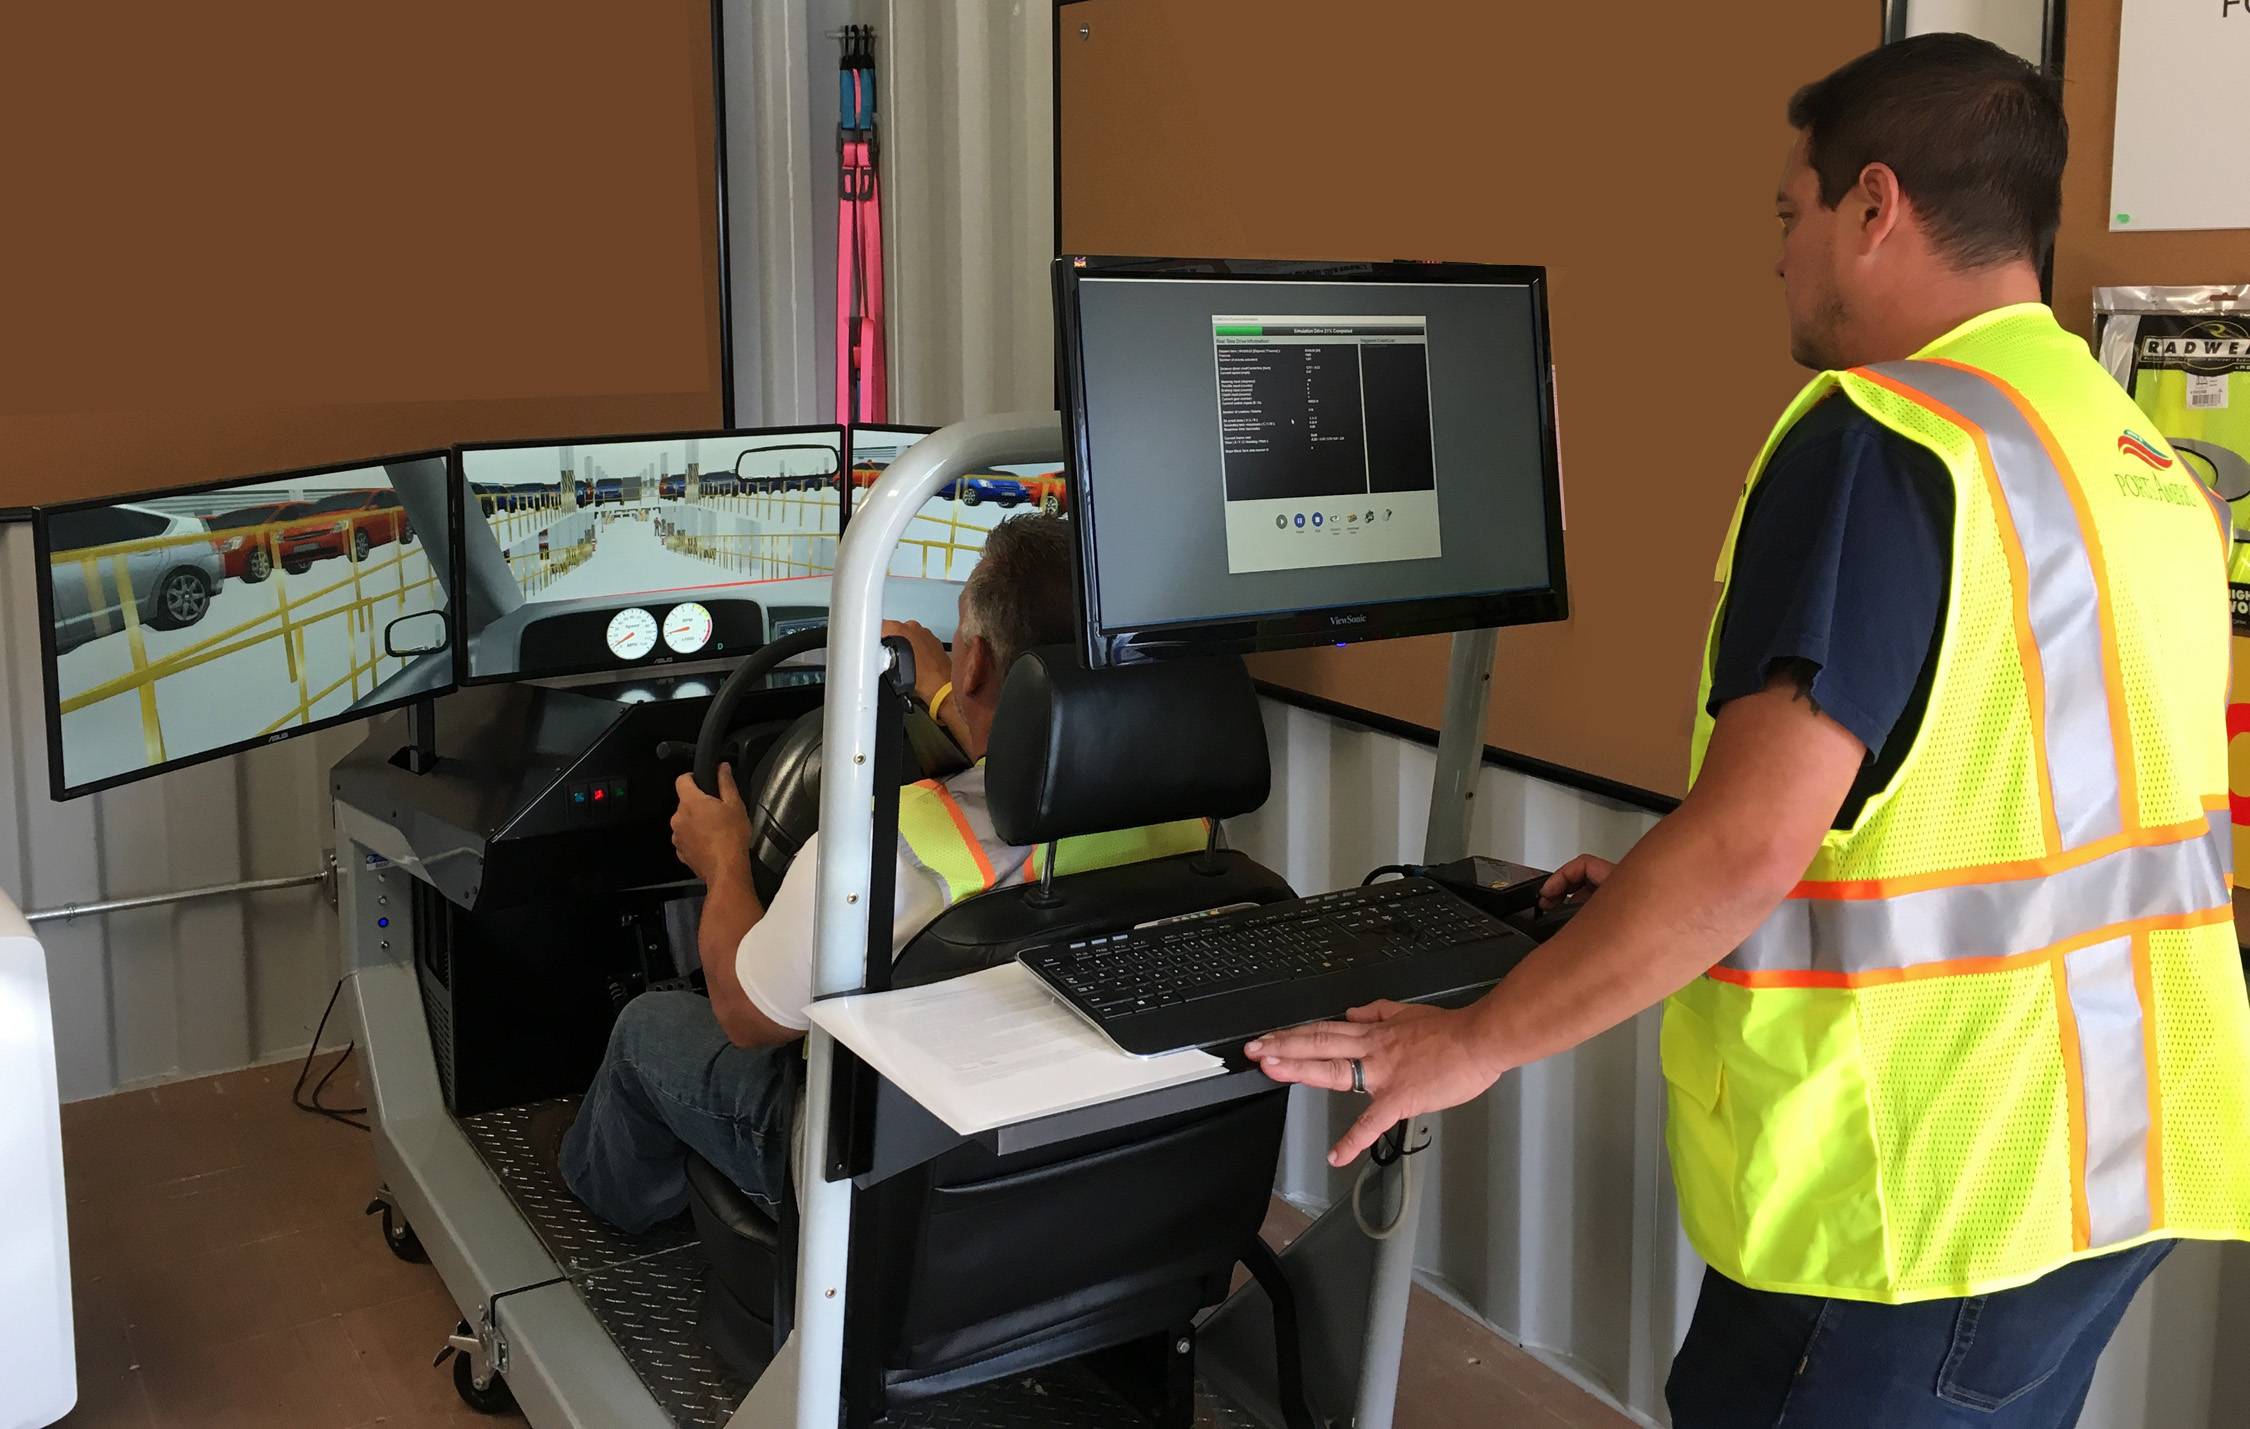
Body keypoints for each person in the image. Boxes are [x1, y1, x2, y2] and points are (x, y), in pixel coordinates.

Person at [1247, 34, 2250, 1429]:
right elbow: (1993, 789)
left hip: (1913, 1193)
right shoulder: (2135, 456)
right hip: (2105, 1162)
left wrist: (1471, 1042)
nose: (1778, 253)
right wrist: (1692, 896)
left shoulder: (1883, 440)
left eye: (1789, 214)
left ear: (1873, 206)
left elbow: (1749, 843)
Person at [558, 513, 1207, 1232]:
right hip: (1077, 1171)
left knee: (645, 1025)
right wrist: (942, 689)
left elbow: (744, 1016)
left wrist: (722, 863)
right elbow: (1032, 758)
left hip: (874, 1175)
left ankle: (604, 1228)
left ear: (977, 664)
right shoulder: (1190, 823)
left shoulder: (888, 849)